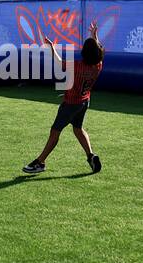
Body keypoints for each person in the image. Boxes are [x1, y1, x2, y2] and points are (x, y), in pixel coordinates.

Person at [22, 21, 104, 175]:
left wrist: (51, 47)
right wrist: (95, 36)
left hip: (71, 104)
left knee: (55, 131)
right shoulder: (98, 65)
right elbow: (98, 50)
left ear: (85, 53)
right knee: (78, 129)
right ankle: (91, 156)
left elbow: (59, 62)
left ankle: (40, 162)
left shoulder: (77, 66)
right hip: (84, 101)